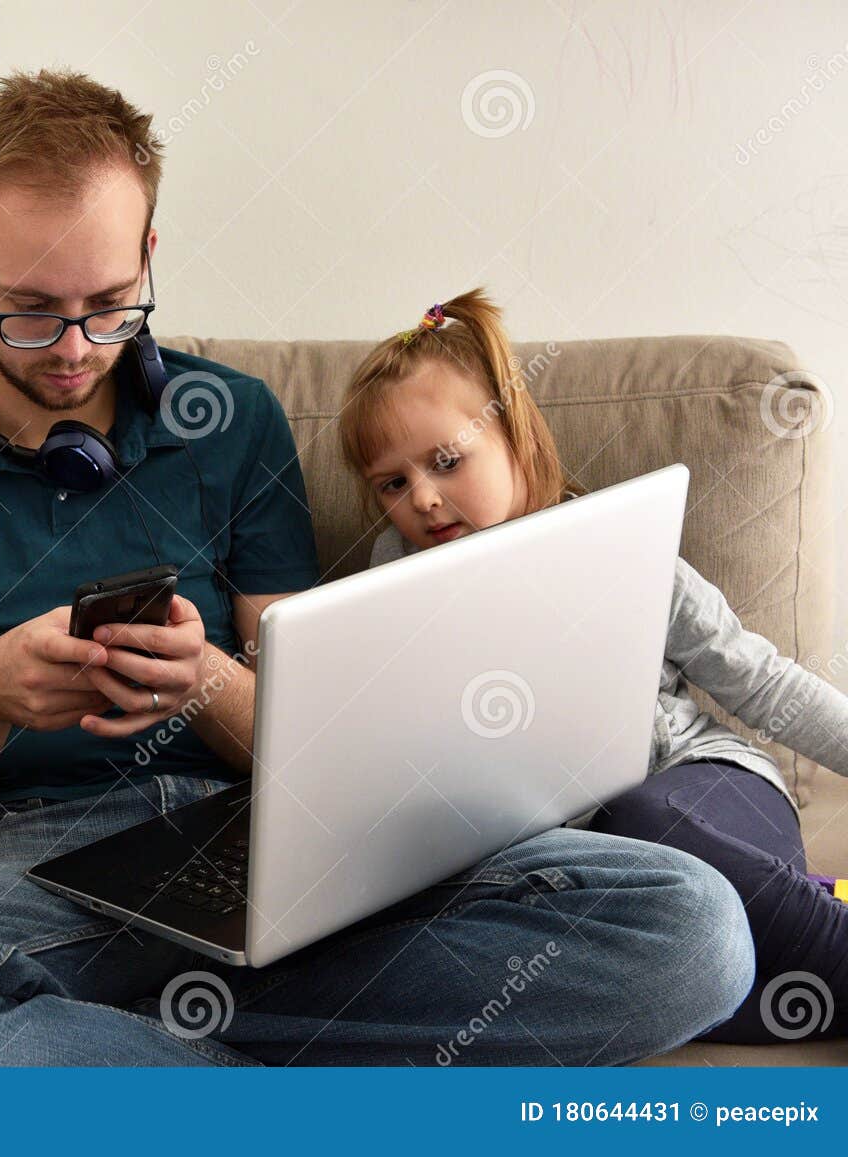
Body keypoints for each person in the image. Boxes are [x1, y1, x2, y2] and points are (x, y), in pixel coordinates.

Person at [0, 71, 754, 1067]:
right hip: (37, 866)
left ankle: (143, 1053)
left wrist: (207, 681)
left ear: (149, 256)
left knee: (693, 926)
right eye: (29, 311)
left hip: (269, 841)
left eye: (110, 305)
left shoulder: (232, 421)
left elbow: (324, 743)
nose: (74, 349)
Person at [339, 287, 846, 1044]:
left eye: (447, 461)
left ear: (515, 436)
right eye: (393, 483)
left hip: (702, 789)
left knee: (642, 818)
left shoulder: (622, 546)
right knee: (606, 958)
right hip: (581, 866)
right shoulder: (392, 579)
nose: (425, 499)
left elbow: (763, 681)